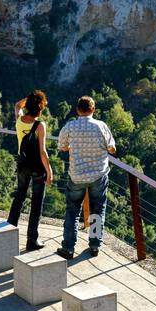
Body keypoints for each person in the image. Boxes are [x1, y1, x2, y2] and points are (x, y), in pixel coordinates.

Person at [55, 95, 116, 259]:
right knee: (97, 210)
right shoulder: (101, 126)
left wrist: (73, 146)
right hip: (98, 175)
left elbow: (62, 147)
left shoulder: (70, 126)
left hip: (76, 176)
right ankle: (95, 245)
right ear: (93, 110)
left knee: (72, 212)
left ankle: (68, 248)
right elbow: (112, 149)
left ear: (77, 110)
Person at [8, 91, 52, 252]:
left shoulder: (19, 120)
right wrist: (49, 170)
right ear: (40, 108)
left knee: (19, 196)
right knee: (37, 202)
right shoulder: (40, 125)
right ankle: (32, 240)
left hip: (22, 164)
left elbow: (17, 105)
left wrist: (32, 100)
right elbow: (43, 152)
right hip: (38, 167)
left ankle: (8, 231)